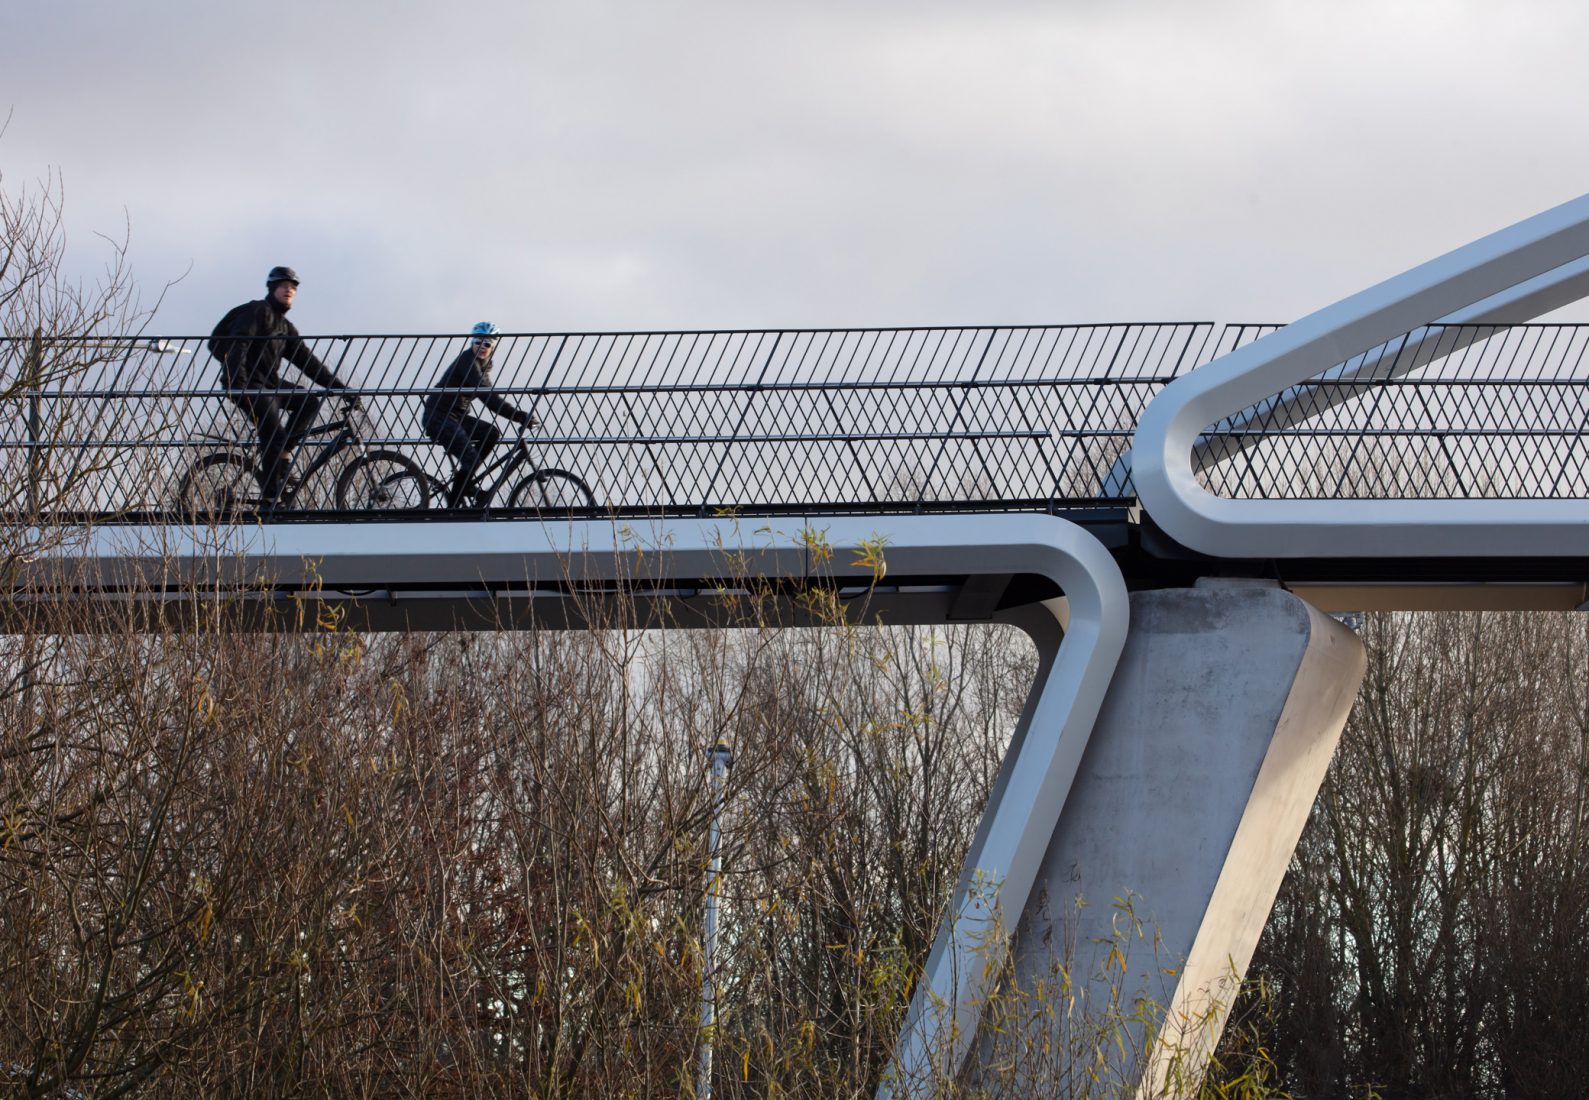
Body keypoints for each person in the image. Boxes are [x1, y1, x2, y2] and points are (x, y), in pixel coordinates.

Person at [207, 266, 353, 504]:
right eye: (284, 286)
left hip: (269, 385)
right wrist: (238, 384)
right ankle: (272, 496)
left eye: (293, 288)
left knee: (307, 400)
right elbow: (238, 345)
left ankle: (284, 456)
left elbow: (307, 361)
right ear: (273, 288)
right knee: (273, 433)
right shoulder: (258, 312)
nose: (289, 290)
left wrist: (340, 388)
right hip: (248, 385)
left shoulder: (284, 327)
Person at [422, 322, 537, 507]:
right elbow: (487, 396)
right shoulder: (467, 363)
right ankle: (452, 507)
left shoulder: (483, 366)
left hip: (455, 416)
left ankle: (466, 481)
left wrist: (515, 414)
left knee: (491, 433)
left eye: (487, 344)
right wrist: (518, 415)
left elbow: (490, 394)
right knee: (471, 459)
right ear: (471, 343)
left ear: (493, 347)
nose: (481, 347)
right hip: (439, 416)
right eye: (478, 342)